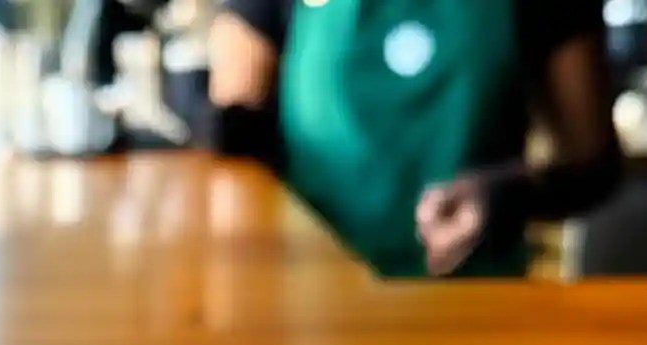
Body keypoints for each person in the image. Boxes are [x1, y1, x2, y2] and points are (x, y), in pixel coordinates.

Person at [208, 0, 621, 277]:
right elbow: (238, 148)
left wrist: (506, 194)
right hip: (308, 299)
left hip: (476, 307)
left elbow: (592, 165)